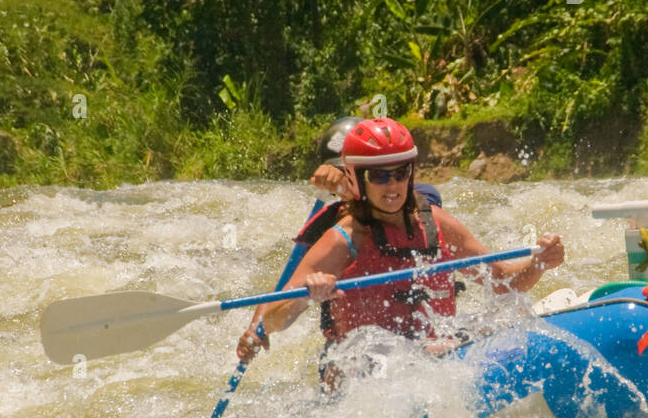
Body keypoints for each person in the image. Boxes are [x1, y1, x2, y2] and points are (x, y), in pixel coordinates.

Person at [236, 117, 564, 381]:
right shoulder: (344, 239)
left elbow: (506, 283)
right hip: (361, 372)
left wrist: (539, 265)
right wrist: (308, 294)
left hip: (434, 355)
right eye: (379, 176)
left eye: (400, 172)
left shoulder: (436, 224)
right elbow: (274, 318)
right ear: (356, 179)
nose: (392, 184)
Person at [239, 116, 445, 345]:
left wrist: (349, 188)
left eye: (389, 173)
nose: (342, 184)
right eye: (377, 175)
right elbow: (284, 286)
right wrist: (256, 328)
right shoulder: (328, 228)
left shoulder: (416, 203)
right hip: (352, 347)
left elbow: (417, 197)